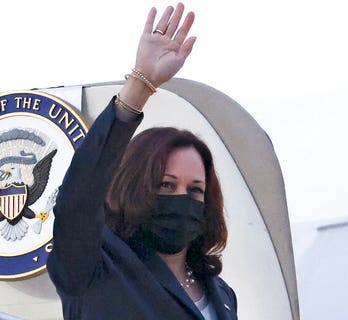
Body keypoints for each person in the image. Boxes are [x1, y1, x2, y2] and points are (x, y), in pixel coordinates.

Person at [46, 3, 238, 320]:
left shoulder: (222, 294)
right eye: (166, 184)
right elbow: (77, 201)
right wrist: (139, 88)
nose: (182, 198)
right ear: (135, 187)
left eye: (195, 190)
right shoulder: (95, 266)